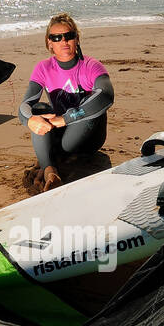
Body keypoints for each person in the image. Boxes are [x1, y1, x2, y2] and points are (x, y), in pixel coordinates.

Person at [18, 13, 114, 192]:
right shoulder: (43, 68)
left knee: (89, 103)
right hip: (62, 134)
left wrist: (65, 119)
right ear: (49, 43)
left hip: (89, 136)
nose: (63, 41)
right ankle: (50, 172)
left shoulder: (91, 66)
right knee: (39, 110)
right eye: (56, 37)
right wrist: (29, 119)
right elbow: (25, 105)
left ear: (76, 39)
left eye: (68, 36)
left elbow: (106, 95)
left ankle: (52, 155)